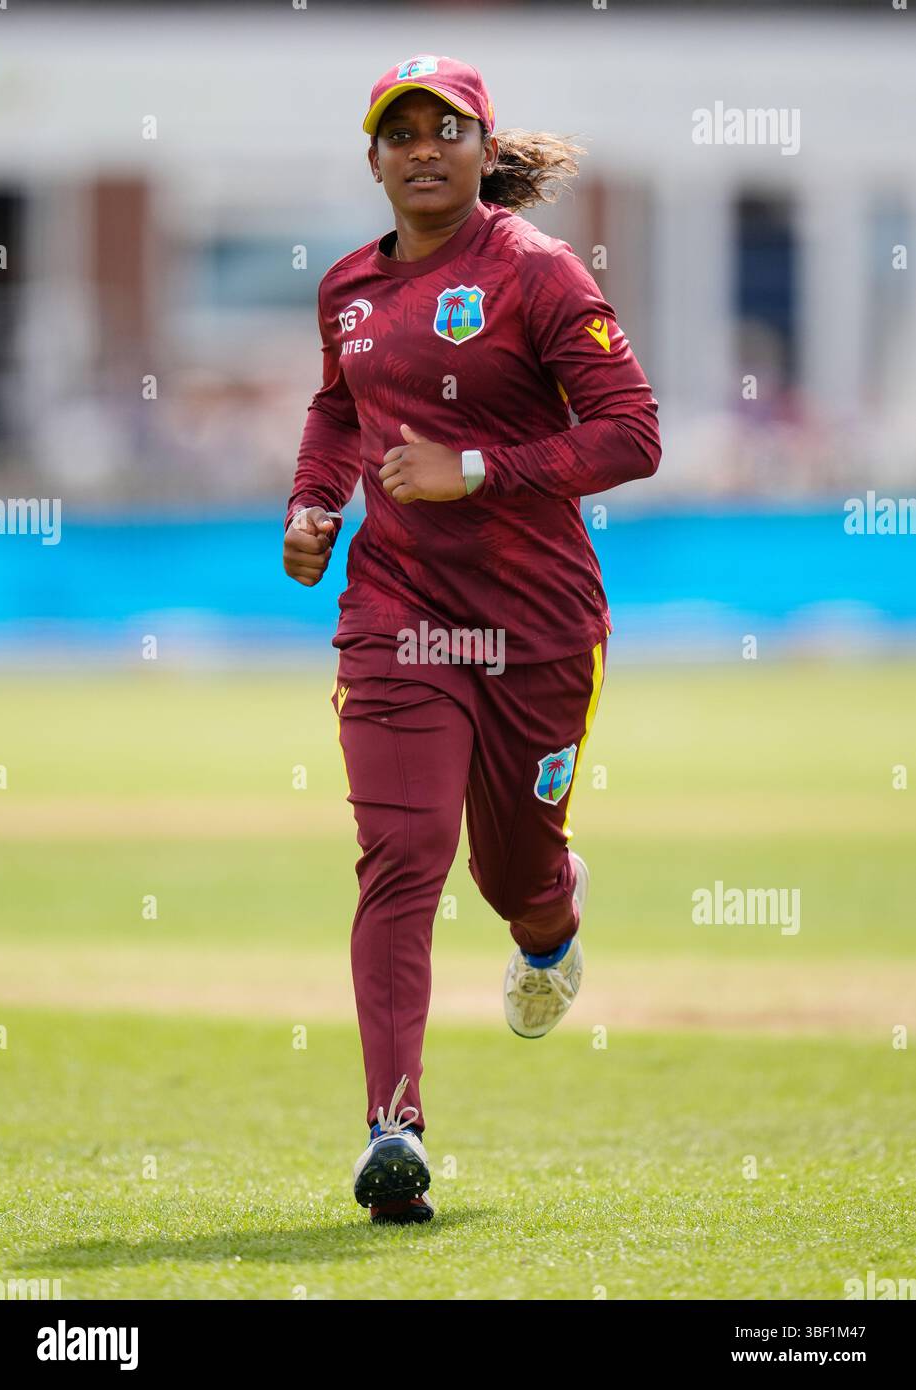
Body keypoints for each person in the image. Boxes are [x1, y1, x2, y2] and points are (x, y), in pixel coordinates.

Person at [282, 54, 661, 1224]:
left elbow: (632, 434)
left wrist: (474, 471)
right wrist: (314, 502)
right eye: (399, 132)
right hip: (395, 619)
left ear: (482, 148)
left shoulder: (536, 274)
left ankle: (552, 913)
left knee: (512, 881)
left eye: (446, 127)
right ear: (374, 159)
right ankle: (392, 1128)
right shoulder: (347, 287)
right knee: (402, 861)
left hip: (537, 632)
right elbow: (337, 404)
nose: (422, 147)